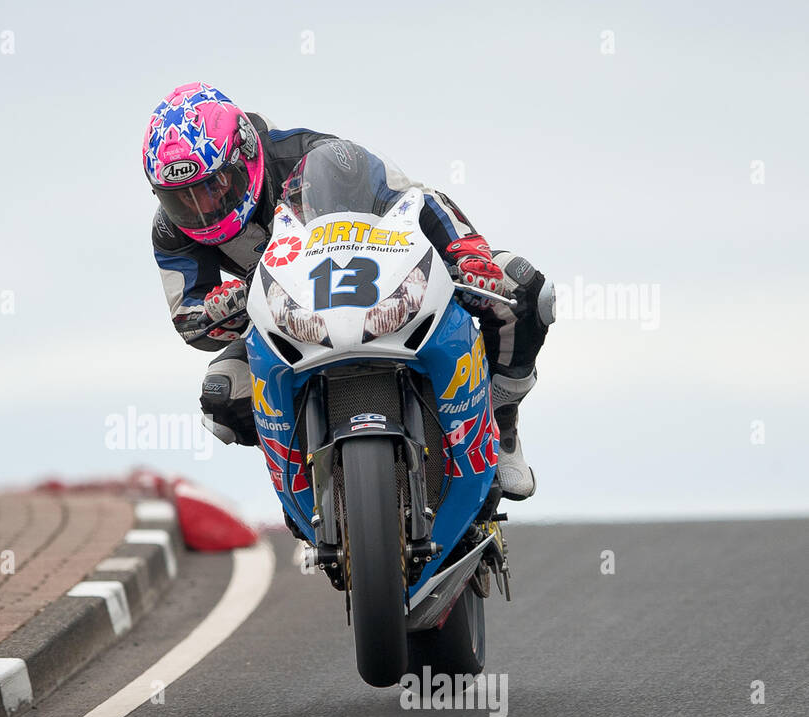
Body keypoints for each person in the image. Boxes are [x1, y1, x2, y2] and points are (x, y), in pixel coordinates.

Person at [143, 82, 554, 500]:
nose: (202, 209)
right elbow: (188, 317)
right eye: (182, 200)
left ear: (244, 153)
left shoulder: (316, 155)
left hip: (379, 283)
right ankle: (318, 484)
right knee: (221, 394)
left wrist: (465, 250)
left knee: (523, 288)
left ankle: (501, 416)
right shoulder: (170, 232)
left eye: (215, 187)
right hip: (284, 319)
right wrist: (229, 303)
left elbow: (417, 198)